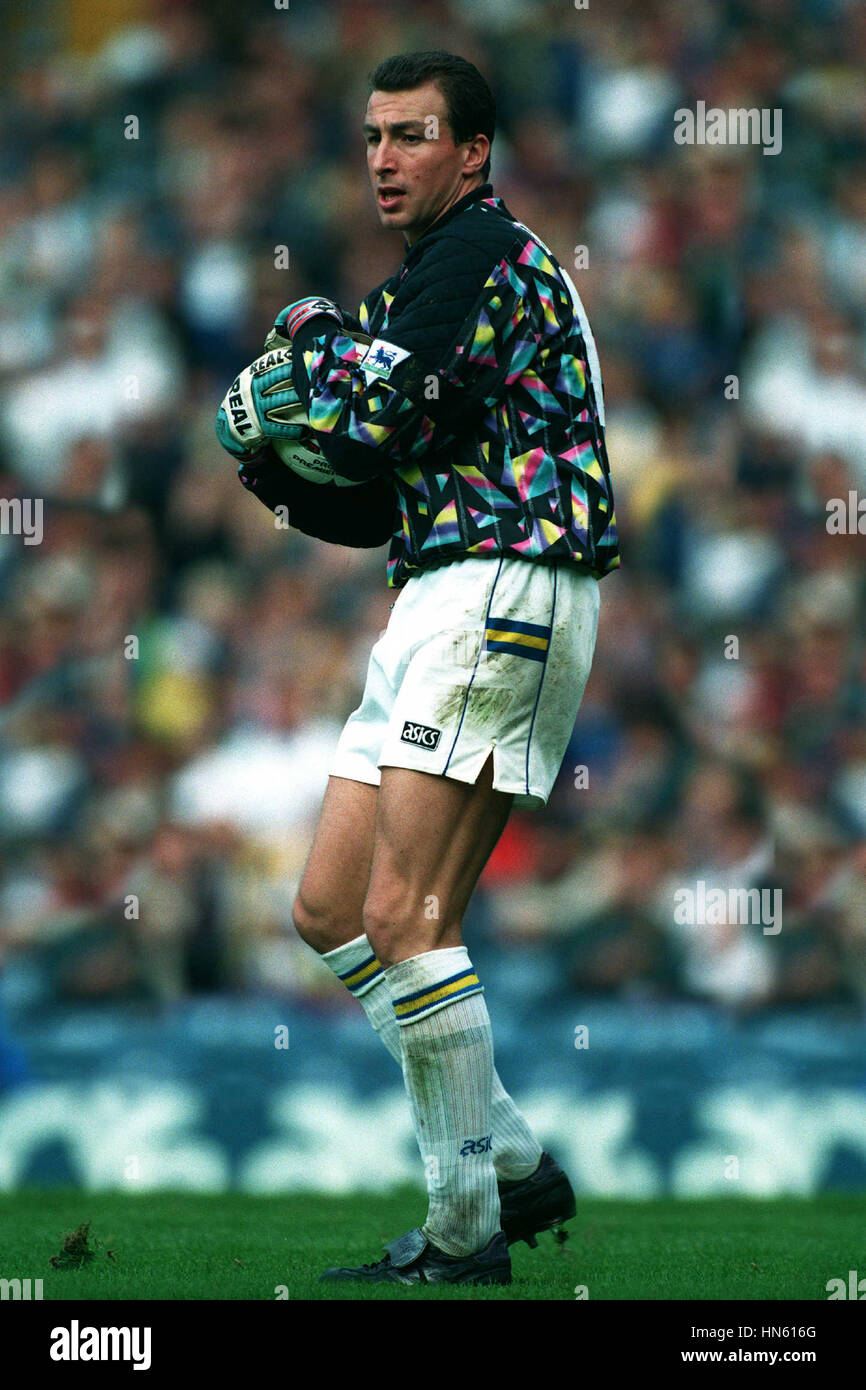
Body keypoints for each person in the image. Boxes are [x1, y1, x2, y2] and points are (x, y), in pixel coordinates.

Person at [215, 50, 619, 1286]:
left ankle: (461, 1235)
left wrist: (308, 338)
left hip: (505, 588)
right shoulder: (422, 290)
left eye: (411, 135)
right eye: (373, 137)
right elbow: (374, 481)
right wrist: (273, 469)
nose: (383, 159)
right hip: (438, 590)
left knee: (405, 919)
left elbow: (387, 410)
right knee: (332, 912)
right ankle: (515, 1162)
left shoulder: (487, 258)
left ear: (472, 151)